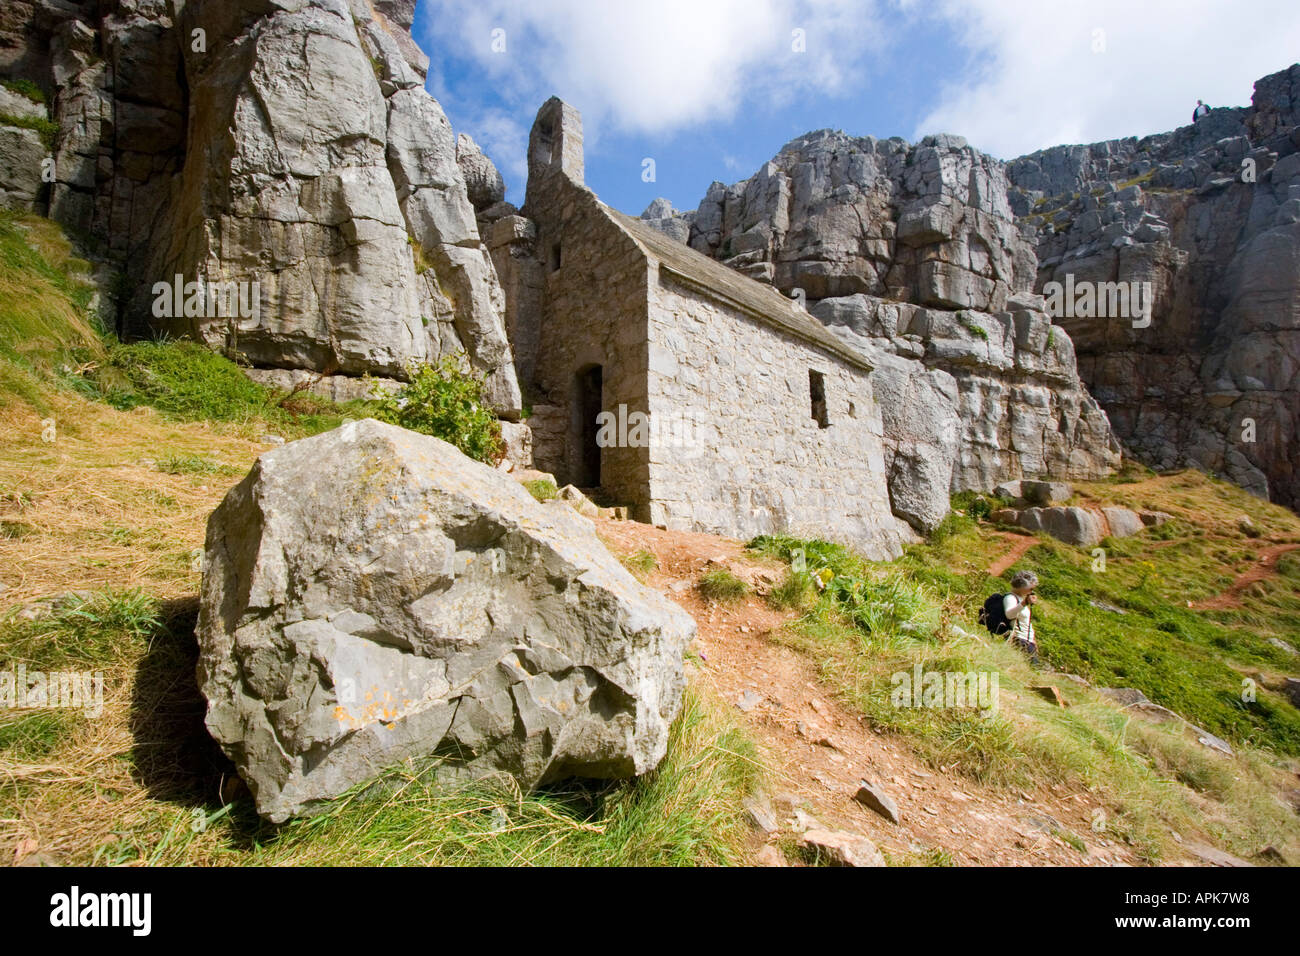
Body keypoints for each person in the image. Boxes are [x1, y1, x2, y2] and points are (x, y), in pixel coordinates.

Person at [1004, 570, 1039, 664]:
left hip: (1027, 640)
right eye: (1031, 588)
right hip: (1020, 639)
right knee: (1034, 669)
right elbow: (1009, 615)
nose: (1032, 591)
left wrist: (1033, 641)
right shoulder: (1010, 598)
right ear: (1023, 586)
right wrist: (1024, 603)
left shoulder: (1019, 598)